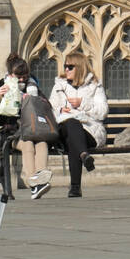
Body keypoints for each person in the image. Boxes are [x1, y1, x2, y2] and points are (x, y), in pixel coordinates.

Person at [0, 54, 50, 200]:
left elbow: (48, 107)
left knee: (42, 143)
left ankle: (40, 181)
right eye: (18, 77)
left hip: (35, 131)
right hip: (12, 134)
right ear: (10, 75)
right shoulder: (2, 88)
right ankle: (34, 183)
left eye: (25, 76)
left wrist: (34, 101)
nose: (22, 80)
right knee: (28, 144)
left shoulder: (33, 87)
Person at [49, 52, 108, 198]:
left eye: (70, 67)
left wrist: (83, 104)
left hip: (90, 131)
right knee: (71, 123)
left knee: (73, 139)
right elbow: (50, 110)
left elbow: (103, 112)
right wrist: (60, 110)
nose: (66, 70)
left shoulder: (95, 85)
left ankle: (75, 187)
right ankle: (84, 155)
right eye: (65, 66)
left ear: (80, 68)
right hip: (63, 129)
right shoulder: (59, 85)